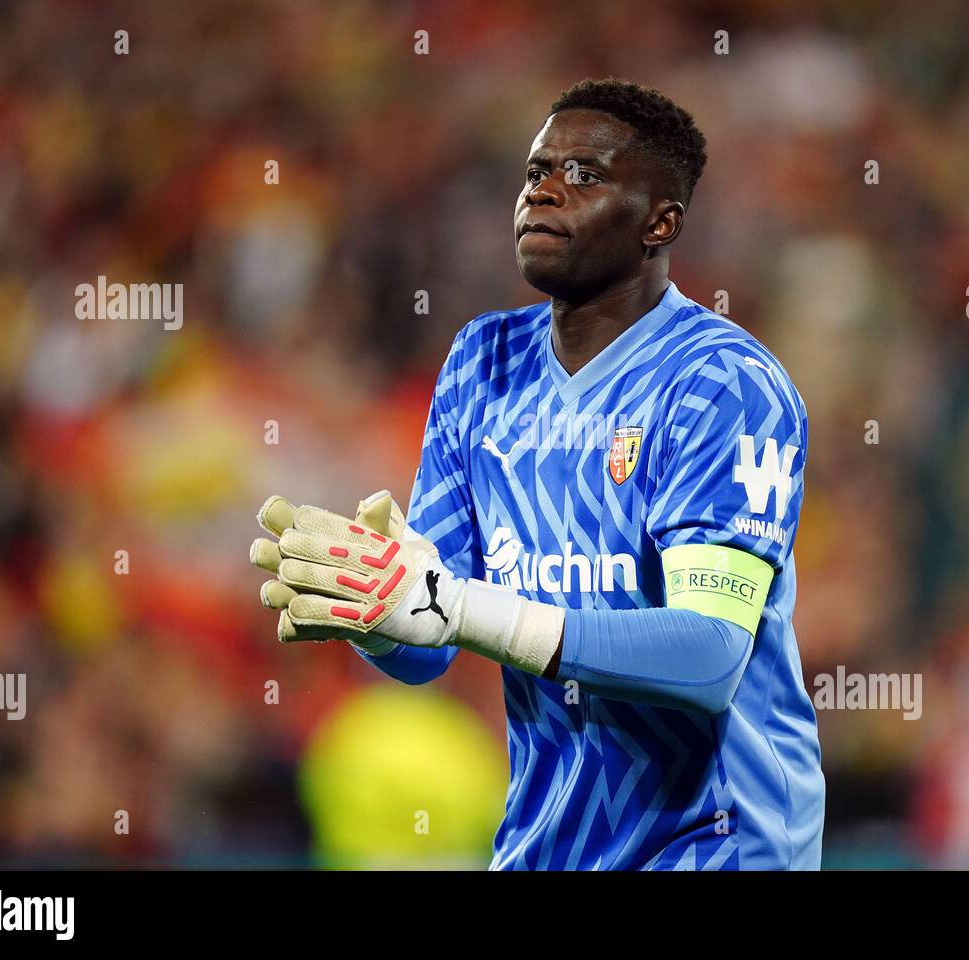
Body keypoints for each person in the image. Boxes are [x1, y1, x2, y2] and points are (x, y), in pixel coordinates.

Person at [251, 77, 824, 870]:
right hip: (546, 847)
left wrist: (472, 609)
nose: (545, 192)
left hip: (715, 847)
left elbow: (708, 656)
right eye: (535, 172)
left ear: (662, 222)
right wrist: (379, 615)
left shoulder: (723, 383)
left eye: (585, 175)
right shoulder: (481, 366)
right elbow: (430, 646)